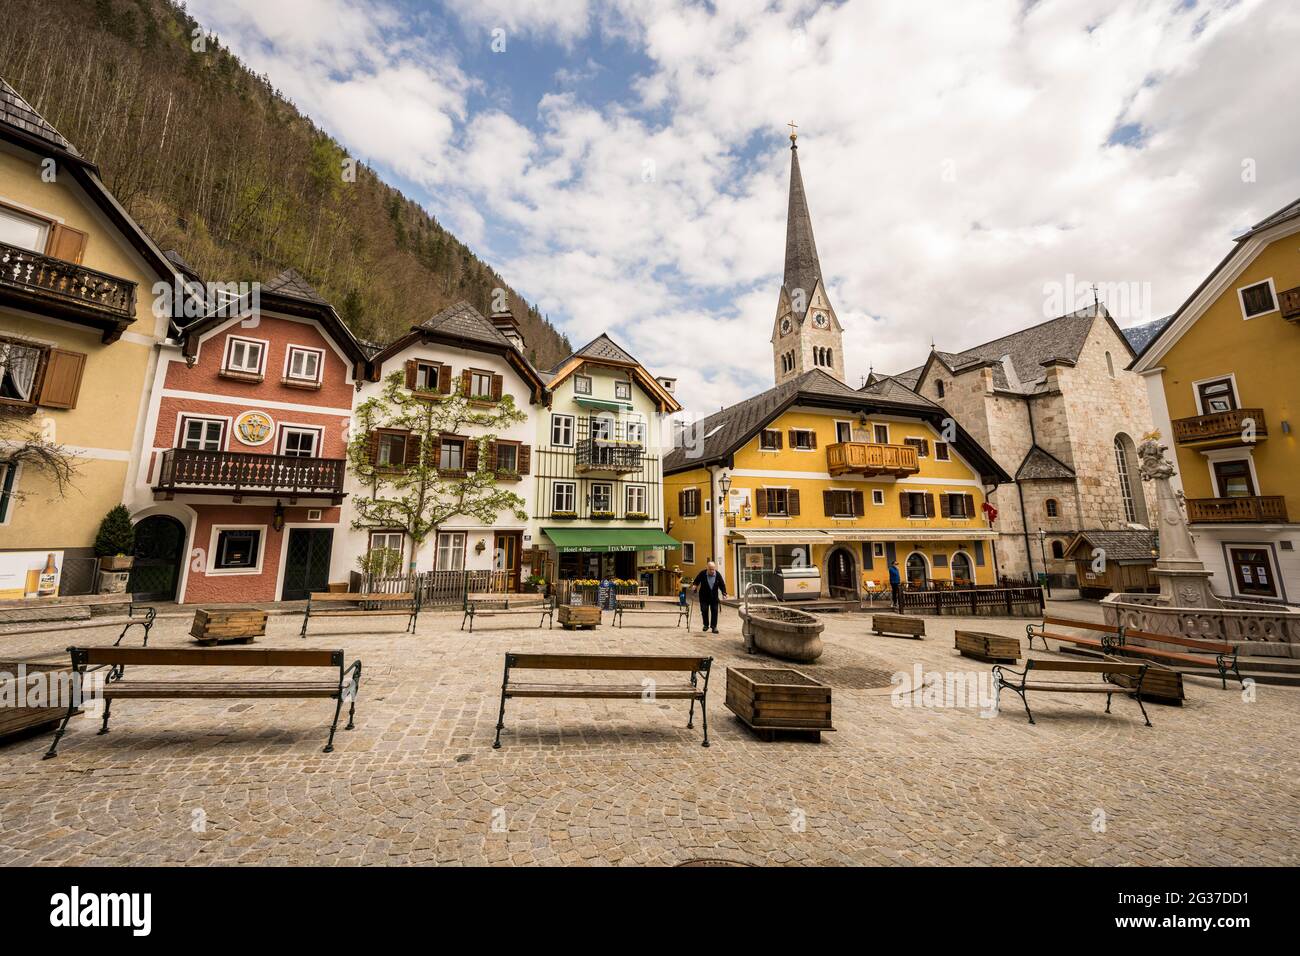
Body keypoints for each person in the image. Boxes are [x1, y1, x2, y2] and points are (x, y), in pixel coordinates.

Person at [691, 560, 728, 634]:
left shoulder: (717, 574)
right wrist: (694, 586)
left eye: (713, 569)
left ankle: (714, 627)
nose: (712, 571)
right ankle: (705, 625)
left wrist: (724, 593)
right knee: (704, 610)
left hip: (714, 597)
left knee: (714, 611)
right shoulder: (702, 573)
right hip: (704, 596)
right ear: (707, 568)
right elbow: (696, 581)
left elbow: (722, 584)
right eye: (710, 569)